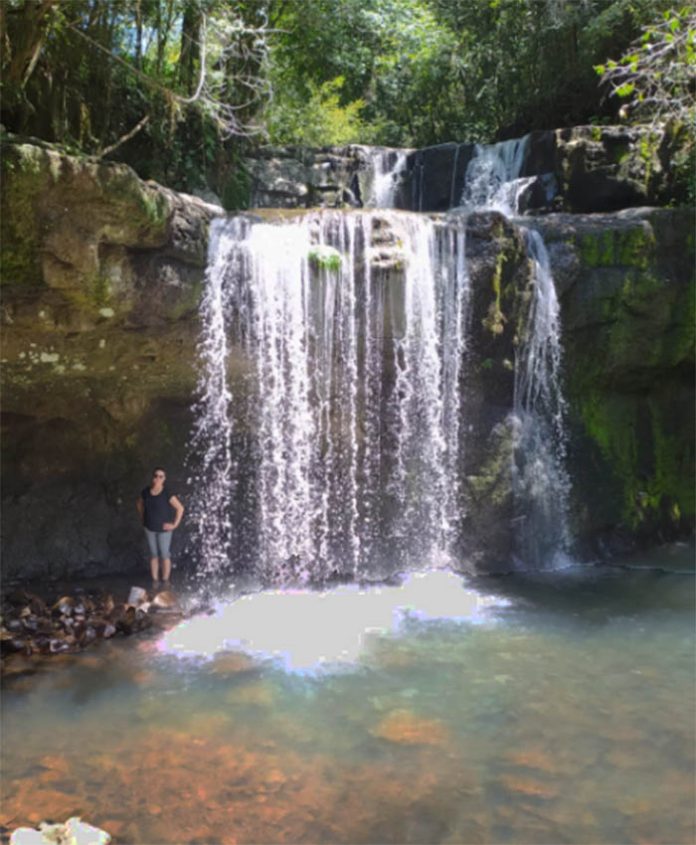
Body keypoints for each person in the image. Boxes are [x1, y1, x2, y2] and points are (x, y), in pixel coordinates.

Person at [136, 467, 184, 585]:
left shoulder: (167, 493)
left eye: (160, 476)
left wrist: (174, 525)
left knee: (164, 554)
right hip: (149, 528)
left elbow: (180, 508)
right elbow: (139, 503)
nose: (157, 478)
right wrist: (143, 517)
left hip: (164, 530)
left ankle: (166, 581)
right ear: (152, 477)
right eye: (156, 476)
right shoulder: (146, 492)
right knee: (153, 554)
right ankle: (155, 581)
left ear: (164, 479)